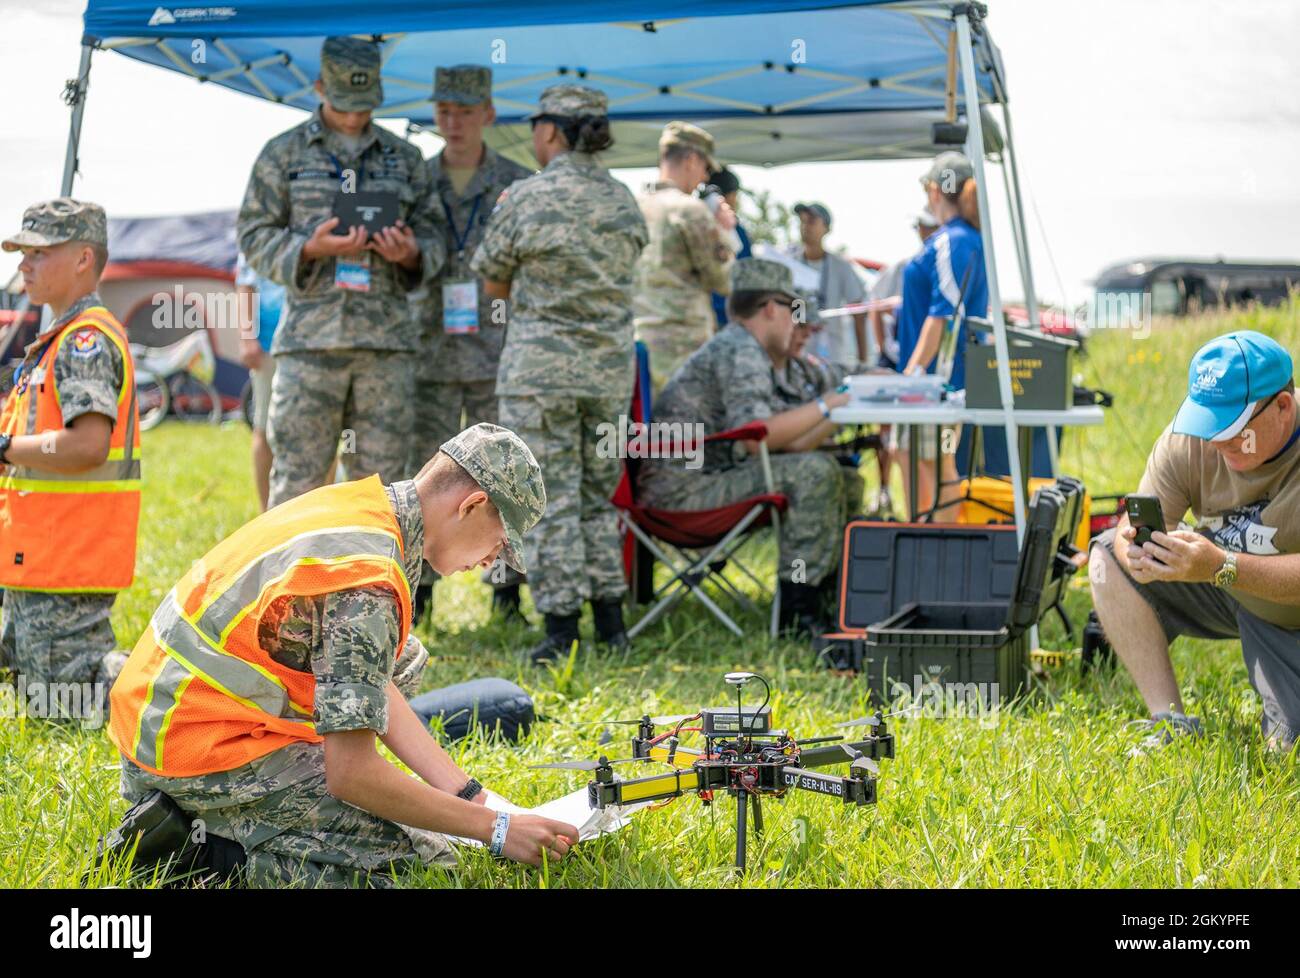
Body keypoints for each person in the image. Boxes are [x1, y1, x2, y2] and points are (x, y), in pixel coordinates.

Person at [107, 424, 578, 886]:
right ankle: (200, 850)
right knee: (423, 859)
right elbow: (352, 776)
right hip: (189, 754)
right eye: (498, 544)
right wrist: (497, 831)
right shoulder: (366, 584)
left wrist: (470, 797)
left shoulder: (367, 508)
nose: (490, 562)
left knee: (401, 657)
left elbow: (370, 682)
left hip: (166, 722)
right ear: (472, 505)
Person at [472, 84, 649, 664]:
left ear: (551, 130)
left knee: (545, 499)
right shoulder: (624, 200)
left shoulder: (525, 197)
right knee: (598, 498)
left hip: (539, 375)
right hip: (606, 375)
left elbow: (492, 282)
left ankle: (561, 630)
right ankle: (613, 625)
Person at [237, 36, 444, 509]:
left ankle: (376, 585)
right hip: (311, 345)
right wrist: (307, 248)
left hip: (385, 347)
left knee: (385, 489)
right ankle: (294, 584)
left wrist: (409, 253)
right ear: (318, 87)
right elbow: (251, 234)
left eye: (363, 105)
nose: (353, 116)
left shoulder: (404, 159)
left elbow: (436, 241)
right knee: (298, 483)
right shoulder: (283, 154)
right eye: (343, 104)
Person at [1088, 332, 1300, 750]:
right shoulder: (1187, 439)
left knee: (1288, 750)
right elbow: (1129, 538)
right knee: (1105, 561)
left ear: (1282, 406)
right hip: (1225, 583)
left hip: (1287, 610)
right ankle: (1170, 720)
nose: (1217, 442)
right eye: (1209, 424)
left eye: (1234, 428)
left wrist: (1221, 566)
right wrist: (1137, 553)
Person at [638, 258, 850, 636]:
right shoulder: (741, 349)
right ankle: (799, 616)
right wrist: (829, 405)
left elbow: (790, 437)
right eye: (791, 311)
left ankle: (829, 596)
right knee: (814, 472)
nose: (796, 324)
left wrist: (854, 394)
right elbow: (760, 440)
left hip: (702, 480)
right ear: (771, 308)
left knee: (837, 474)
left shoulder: (743, 347)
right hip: (683, 493)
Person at [0, 199, 139, 706]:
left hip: (66, 559)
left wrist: (5, 448)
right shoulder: (58, 339)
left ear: (83, 258)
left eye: (38, 252)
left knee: (62, 702)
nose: (23, 264)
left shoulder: (85, 341)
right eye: (21, 252)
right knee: (32, 694)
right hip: (38, 556)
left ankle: (173, 698)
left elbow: (88, 445)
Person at [410, 64, 534, 623]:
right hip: (428, 347)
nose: (452, 122)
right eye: (443, 111)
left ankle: (506, 599)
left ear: (488, 113)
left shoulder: (517, 181)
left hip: (494, 349)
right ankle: (416, 600)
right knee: (425, 478)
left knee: (498, 480)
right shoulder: (415, 180)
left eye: (464, 111)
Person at [900, 152, 987, 519]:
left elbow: (944, 316)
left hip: (936, 381)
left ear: (936, 191)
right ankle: (932, 540)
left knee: (932, 463)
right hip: (945, 378)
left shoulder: (951, 240)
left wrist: (911, 376)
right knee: (934, 461)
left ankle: (933, 543)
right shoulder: (966, 239)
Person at [633, 121, 736, 391]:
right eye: (706, 168)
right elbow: (725, 280)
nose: (704, 178)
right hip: (682, 353)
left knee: (644, 431)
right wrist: (724, 230)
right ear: (691, 159)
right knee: (686, 432)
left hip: (636, 348)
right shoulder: (689, 210)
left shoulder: (631, 207)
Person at [872, 208, 939, 515]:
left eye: (929, 226)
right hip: (906, 369)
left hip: (924, 375)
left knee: (923, 455)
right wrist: (885, 348)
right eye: (921, 227)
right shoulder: (905, 267)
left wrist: (914, 369)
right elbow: (875, 306)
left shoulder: (936, 263)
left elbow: (939, 320)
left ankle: (923, 523)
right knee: (900, 447)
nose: (924, 232)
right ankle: (907, 513)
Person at [772, 316, 864, 517]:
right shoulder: (756, 367)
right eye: (800, 326)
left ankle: (846, 546)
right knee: (820, 471)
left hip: (775, 462)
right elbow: (793, 444)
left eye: (811, 328)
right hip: (720, 470)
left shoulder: (800, 367)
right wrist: (832, 410)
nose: (807, 334)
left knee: (848, 477)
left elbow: (845, 373)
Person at [784, 202, 867, 372]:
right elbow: (792, 306)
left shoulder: (840, 266)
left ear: (826, 228)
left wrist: (862, 363)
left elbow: (858, 313)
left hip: (833, 357)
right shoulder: (792, 264)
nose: (806, 227)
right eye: (803, 221)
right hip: (799, 358)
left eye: (812, 221)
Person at [235, 251, 285, 510]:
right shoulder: (263, 221)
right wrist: (247, 338)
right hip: (269, 345)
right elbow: (246, 283)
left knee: (326, 432)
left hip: (316, 345)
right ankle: (266, 513)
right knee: (264, 428)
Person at [708, 167, 752, 328]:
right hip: (729, 316)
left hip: (699, 315)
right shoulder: (735, 231)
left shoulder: (695, 225)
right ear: (729, 196)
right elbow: (746, 273)